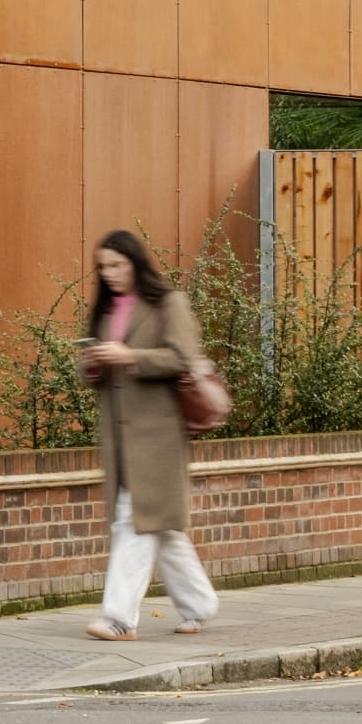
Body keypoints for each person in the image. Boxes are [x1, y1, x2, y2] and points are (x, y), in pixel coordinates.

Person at [80, 227, 217, 641]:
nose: (109, 273)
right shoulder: (106, 312)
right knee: (163, 529)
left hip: (157, 438)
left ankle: (118, 618)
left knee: (134, 523)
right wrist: (92, 364)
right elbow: (92, 375)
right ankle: (200, 605)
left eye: (117, 265)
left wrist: (130, 356)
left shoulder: (168, 303)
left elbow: (182, 357)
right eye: (103, 267)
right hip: (120, 441)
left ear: (136, 263)